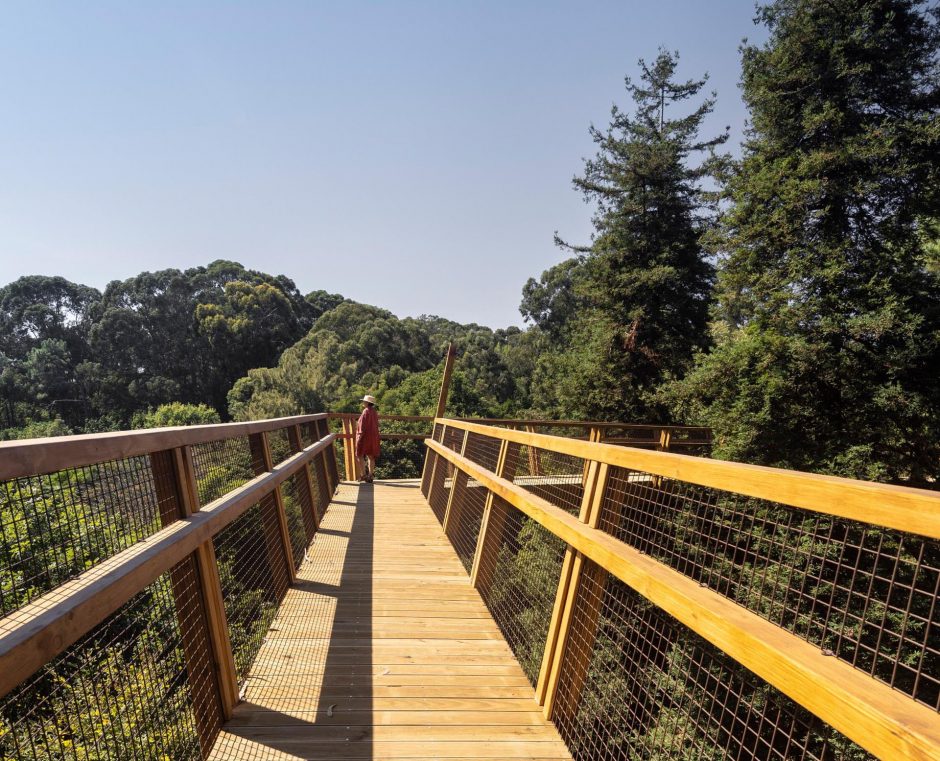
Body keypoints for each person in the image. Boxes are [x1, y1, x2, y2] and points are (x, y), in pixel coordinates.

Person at [355, 394, 380, 483]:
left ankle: (364, 475)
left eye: (364, 401)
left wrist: (359, 438)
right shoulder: (374, 412)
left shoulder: (365, 411)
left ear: (367, 402)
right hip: (373, 437)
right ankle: (370, 475)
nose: (363, 402)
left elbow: (362, 426)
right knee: (371, 456)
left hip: (365, 437)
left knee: (359, 455)